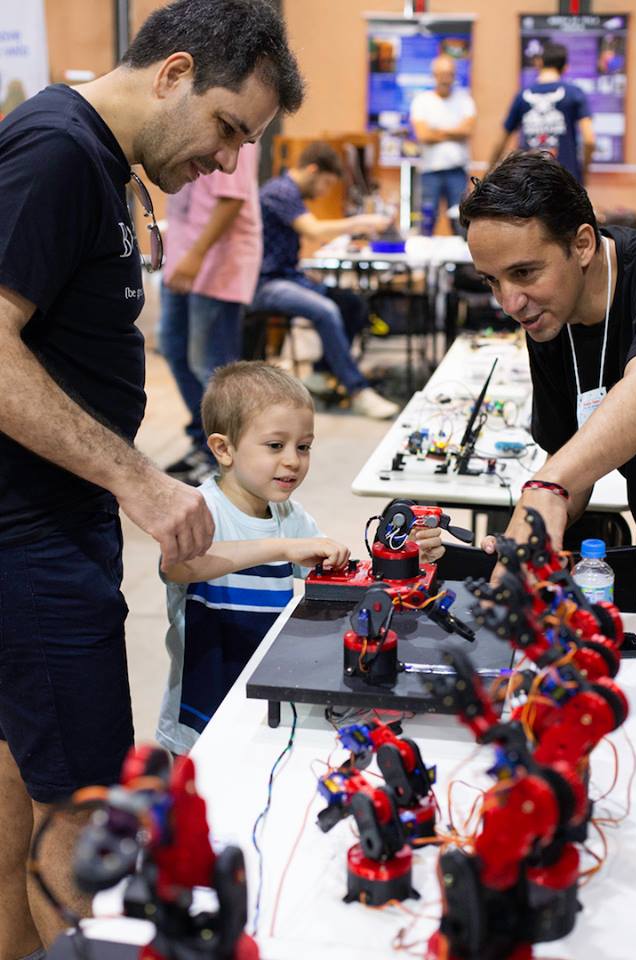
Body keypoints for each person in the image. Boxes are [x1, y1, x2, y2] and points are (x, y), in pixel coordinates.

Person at [0, 0, 303, 951]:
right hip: (32, 539)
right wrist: (139, 479)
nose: (225, 161)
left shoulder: (94, 160)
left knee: (26, 791)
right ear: (173, 74)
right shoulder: (55, 150)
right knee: (87, 823)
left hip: (49, 528)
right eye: (227, 129)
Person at [157, 361, 445, 754]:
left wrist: (406, 557)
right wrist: (281, 547)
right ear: (223, 449)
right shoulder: (201, 510)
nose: (293, 460)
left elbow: (341, 575)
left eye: (303, 446)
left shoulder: (289, 515)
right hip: (202, 706)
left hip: (266, 697)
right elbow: (179, 564)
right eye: (275, 446)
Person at [458, 150, 636, 557]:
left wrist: (546, 486)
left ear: (581, 245)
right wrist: (527, 531)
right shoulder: (548, 315)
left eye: (524, 273)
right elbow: (567, 457)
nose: (509, 303)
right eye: (492, 281)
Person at [253, 142, 400, 420]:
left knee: (351, 303)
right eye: (326, 183)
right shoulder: (280, 190)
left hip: (289, 275)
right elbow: (315, 231)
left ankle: (320, 375)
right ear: (312, 170)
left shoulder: (289, 192)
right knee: (326, 309)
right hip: (265, 282)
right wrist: (362, 221)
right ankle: (358, 392)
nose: (324, 192)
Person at [160, 142, 262, 485]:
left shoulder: (235, 128)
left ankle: (223, 459)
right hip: (183, 260)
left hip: (216, 267)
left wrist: (195, 257)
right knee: (174, 350)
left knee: (211, 367)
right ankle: (201, 442)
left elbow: (232, 198)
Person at [489, 42, 596, 184]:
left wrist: (489, 171)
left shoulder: (522, 95)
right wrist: (584, 171)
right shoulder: (574, 93)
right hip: (566, 179)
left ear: (539, 63)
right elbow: (589, 140)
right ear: (565, 67)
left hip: (530, 181)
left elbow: (501, 140)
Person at [410, 54, 476, 228]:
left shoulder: (465, 100)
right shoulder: (422, 101)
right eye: (442, 74)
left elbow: (467, 130)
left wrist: (436, 130)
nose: (446, 78)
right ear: (434, 75)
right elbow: (423, 135)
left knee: (462, 223)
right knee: (426, 222)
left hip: (457, 171)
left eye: (450, 74)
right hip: (429, 171)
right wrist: (454, 131)